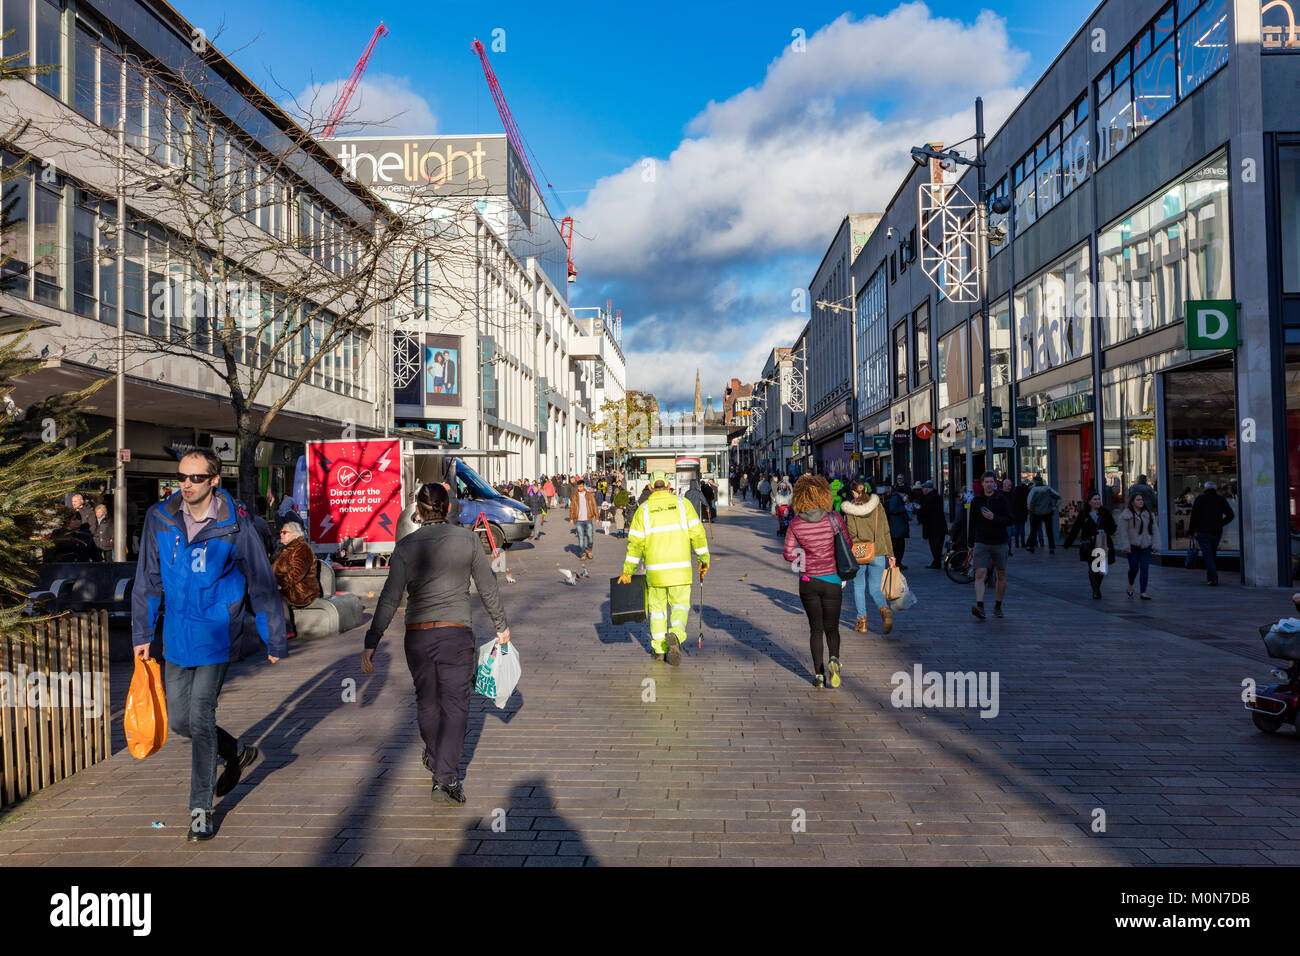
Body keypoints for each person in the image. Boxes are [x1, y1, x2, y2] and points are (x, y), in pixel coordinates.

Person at [131, 448, 286, 842]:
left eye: (196, 478)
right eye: (182, 477)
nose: (186, 484)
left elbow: (261, 582)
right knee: (179, 720)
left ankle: (201, 810)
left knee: (199, 718)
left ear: (214, 479)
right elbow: (148, 579)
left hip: (218, 633)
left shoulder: (236, 525)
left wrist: (273, 637)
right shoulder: (159, 518)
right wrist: (142, 634)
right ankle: (235, 752)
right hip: (177, 635)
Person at [361, 483, 510, 805]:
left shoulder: (406, 546)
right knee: (455, 705)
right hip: (455, 633)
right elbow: (487, 587)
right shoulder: (468, 540)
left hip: (417, 635)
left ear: (419, 509)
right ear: (446, 508)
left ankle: (434, 754)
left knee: (427, 700)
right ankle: (445, 778)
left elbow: (389, 598)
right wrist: (501, 626)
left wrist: (372, 640)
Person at [618, 471, 709, 666]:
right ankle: (676, 635)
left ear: (650, 487)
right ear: (668, 485)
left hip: (655, 572)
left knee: (657, 610)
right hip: (681, 570)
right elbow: (698, 534)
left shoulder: (643, 510)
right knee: (679, 606)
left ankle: (659, 650)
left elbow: (634, 545)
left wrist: (628, 571)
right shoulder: (684, 505)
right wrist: (703, 559)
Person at [782, 475, 848, 689]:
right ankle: (834, 659)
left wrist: (803, 557)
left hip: (808, 581)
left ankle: (819, 675)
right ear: (825, 495)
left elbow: (788, 554)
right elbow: (847, 545)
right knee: (832, 627)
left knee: (815, 629)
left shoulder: (795, 523)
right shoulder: (835, 519)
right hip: (832, 579)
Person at [841, 479, 894, 637]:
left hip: (860, 553)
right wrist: (891, 554)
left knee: (858, 586)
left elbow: (851, 534)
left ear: (853, 492)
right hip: (878, 552)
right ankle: (884, 610)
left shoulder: (851, 509)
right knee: (875, 588)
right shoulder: (878, 506)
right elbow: (885, 531)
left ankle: (861, 622)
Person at [969, 470, 1013, 620]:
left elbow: (1009, 519)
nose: (989, 484)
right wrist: (970, 543)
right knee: (980, 573)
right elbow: (972, 523)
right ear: (982, 484)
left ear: (995, 483)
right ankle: (980, 606)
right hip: (981, 541)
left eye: (991, 482)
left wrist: (994, 518)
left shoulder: (1001, 500)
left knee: (1001, 574)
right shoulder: (977, 501)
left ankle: (998, 606)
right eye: (986, 482)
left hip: (999, 541)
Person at [272, 515, 320, 639]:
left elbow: (297, 572)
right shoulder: (283, 548)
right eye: (281, 532)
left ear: (294, 534)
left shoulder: (302, 548)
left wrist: (281, 584)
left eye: (284, 532)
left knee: (277, 597)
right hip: (284, 585)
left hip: (301, 589)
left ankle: (288, 630)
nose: (281, 534)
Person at [1063, 491, 1118, 599]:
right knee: (1093, 567)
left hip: (1103, 543)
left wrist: (1105, 531)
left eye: (1098, 499)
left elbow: (1113, 527)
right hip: (1089, 544)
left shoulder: (1105, 513)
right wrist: (1068, 543)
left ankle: (1096, 587)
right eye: (1095, 499)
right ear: (1089, 502)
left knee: (1101, 568)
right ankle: (1096, 591)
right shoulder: (1084, 514)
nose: (1097, 501)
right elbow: (1076, 528)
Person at [1187, 481, 1235, 586]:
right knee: (1212, 554)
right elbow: (1231, 515)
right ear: (1215, 489)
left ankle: (1213, 578)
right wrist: (1221, 523)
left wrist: (1191, 531)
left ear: (1205, 488)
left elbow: (1194, 517)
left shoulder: (1200, 499)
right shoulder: (1220, 499)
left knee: (1208, 555)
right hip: (1216, 531)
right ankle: (1211, 577)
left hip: (1203, 531)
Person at [1115, 491, 1155, 599]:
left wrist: (1155, 544)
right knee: (1134, 568)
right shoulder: (1126, 515)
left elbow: (1154, 530)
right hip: (1133, 546)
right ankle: (1131, 584)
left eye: (1142, 500)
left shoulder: (1148, 514)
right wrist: (1126, 546)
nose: (1141, 502)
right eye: (1138, 500)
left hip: (1146, 545)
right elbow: (1123, 532)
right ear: (1132, 502)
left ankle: (1143, 592)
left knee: (1144, 568)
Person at [1025, 475, 1060, 554]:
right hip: (1047, 513)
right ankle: (1051, 548)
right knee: (1049, 531)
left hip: (1036, 513)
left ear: (1035, 482)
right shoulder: (1048, 489)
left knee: (1034, 530)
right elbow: (1058, 496)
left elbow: (1029, 502)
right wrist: (1054, 506)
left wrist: (1030, 509)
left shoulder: (1033, 490)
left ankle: (1031, 547)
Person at [917, 480, 947, 569]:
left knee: (935, 546)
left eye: (923, 488)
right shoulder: (934, 496)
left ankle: (936, 562)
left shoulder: (931, 498)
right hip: (938, 526)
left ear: (927, 489)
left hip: (934, 527)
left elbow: (926, 511)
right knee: (937, 546)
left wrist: (918, 510)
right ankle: (936, 562)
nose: (922, 490)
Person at [569, 476, 598, 560]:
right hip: (578, 520)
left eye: (581, 486)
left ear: (583, 486)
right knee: (581, 538)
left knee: (590, 537)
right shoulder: (574, 496)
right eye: (578, 487)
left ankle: (589, 549)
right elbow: (572, 508)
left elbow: (594, 505)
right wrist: (571, 518)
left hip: (588, 519)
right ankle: (583, 553)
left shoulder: (589, 495)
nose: (579, 488)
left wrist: (597, 516)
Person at [884, 480, 909, 571]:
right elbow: (893, 509)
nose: (906, 496)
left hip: (898, 527)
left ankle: (898, 563)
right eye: (906, 494)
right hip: (896, 527)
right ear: (902, 493)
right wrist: (904, 508)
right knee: (898, 547)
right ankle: (896, 563)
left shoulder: (897, 498)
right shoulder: (896, 498)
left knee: (899, 546)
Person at [1008, 478, 1029, 550]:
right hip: (1022, 515)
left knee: (1016, 529)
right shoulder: (1024, 497)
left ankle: (1017, 543)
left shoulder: (1014, 496)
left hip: (1015, 515)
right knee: (1022, 529)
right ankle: (1023, 543)